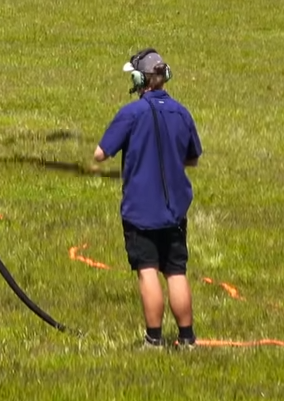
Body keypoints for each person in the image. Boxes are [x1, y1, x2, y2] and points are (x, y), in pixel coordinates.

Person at [90, 48, 203, 349]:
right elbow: (192, 159)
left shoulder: (131, 113)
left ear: (140, 79)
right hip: (175, 211)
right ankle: (187, 338)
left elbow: (100, 154)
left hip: (141, 211)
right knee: (176, 271)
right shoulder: (182, 112)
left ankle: (154, 339)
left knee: (148, 270)